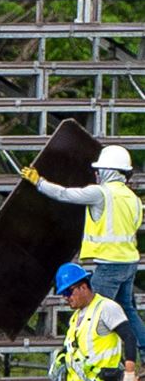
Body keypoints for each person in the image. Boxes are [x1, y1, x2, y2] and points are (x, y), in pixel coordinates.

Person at [22, 145, 145, 354]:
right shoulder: (133, 199)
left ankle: (82, 355)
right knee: (127, 310)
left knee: (91, 311)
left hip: (109, 266)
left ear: (108, 171)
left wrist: (39, 182)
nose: (96, 174)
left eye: (99, 170)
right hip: (129, 263)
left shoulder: (100, 193)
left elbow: (65, 194)